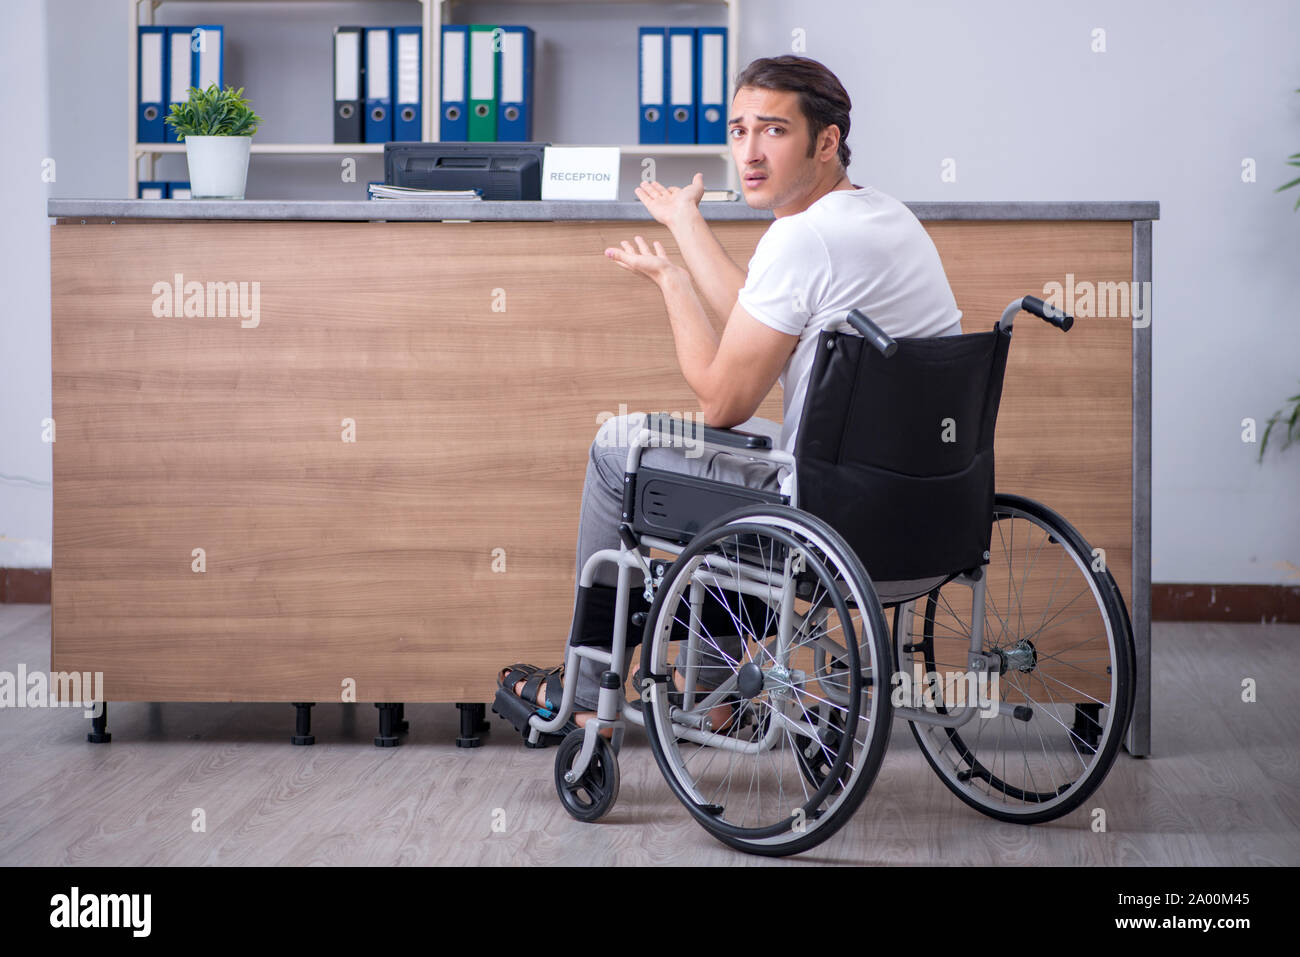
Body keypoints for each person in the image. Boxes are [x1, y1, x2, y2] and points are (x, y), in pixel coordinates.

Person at [496, 54, 964, 739]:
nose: (749, 151)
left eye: (772, 131)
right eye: (738, 130)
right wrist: (686, 226)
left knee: (618, 449)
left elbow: (722, 401)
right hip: (921, 515)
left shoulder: (802, 239)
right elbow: (759, 314)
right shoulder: (885, 217)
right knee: (737, 468)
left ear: (826, 141)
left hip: (827, 516)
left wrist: (673, 285)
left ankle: (586, 685)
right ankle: (716, 697)